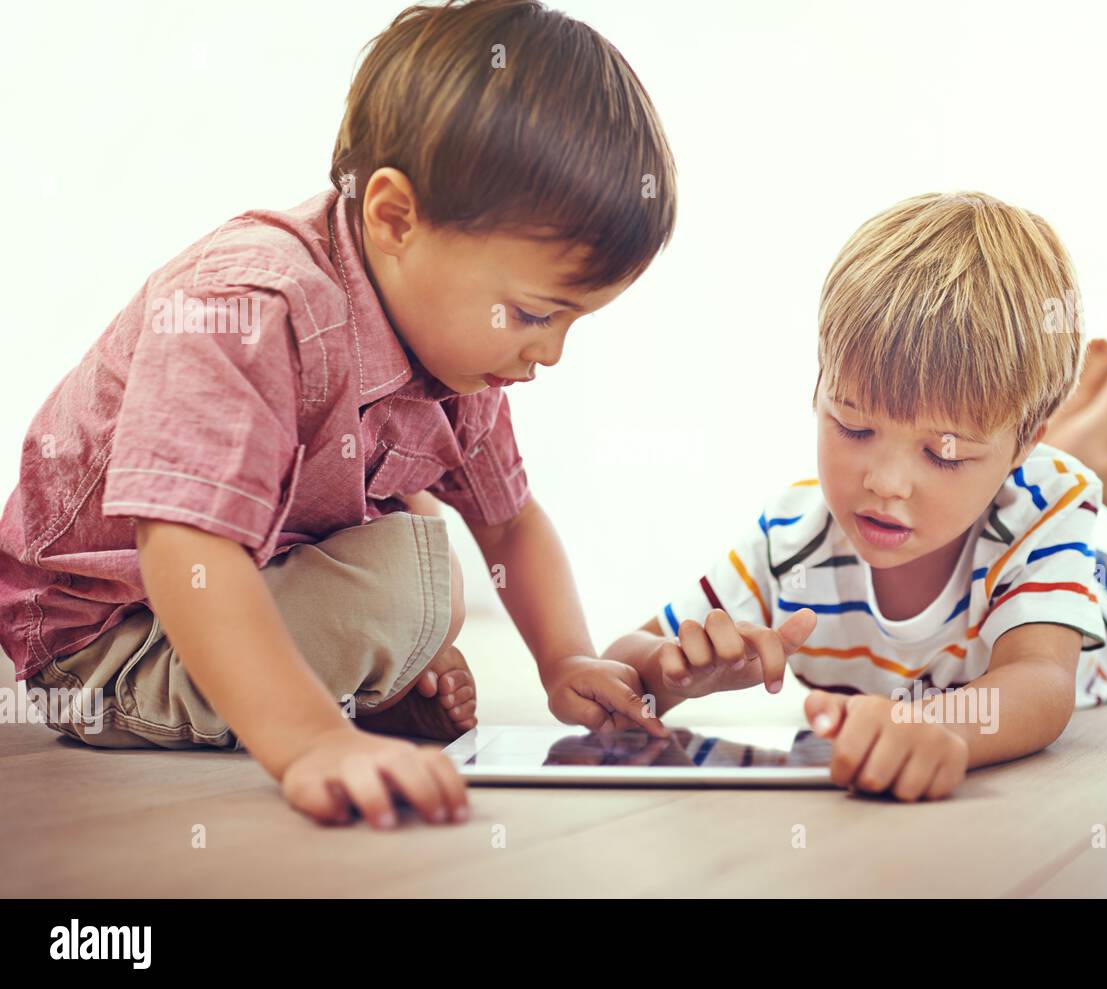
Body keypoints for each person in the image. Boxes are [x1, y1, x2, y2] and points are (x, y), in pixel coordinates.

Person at [0, 0, 676, 831]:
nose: (550, 355)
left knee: (427, 567)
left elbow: (510, 523)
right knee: (416, 582)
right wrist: (311, 741)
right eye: (537, 313)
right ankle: (311, 703)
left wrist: (566, 656)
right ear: (395, 218)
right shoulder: (249, 306)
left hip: (246, 588)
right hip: (108, 639)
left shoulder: (465, 362)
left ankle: (358, 693)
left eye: (576, 321)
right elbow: (185, 547)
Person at [603, 192, 1107, 803]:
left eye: (943, 453)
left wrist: (928, 727)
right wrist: (672, 673)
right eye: (853, 425)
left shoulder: (1043, 512)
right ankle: (1088, 457)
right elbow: (627, 659)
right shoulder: (792, 540)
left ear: (1023, 443)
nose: (885, 481)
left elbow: (1040, 681)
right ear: (817, 389)